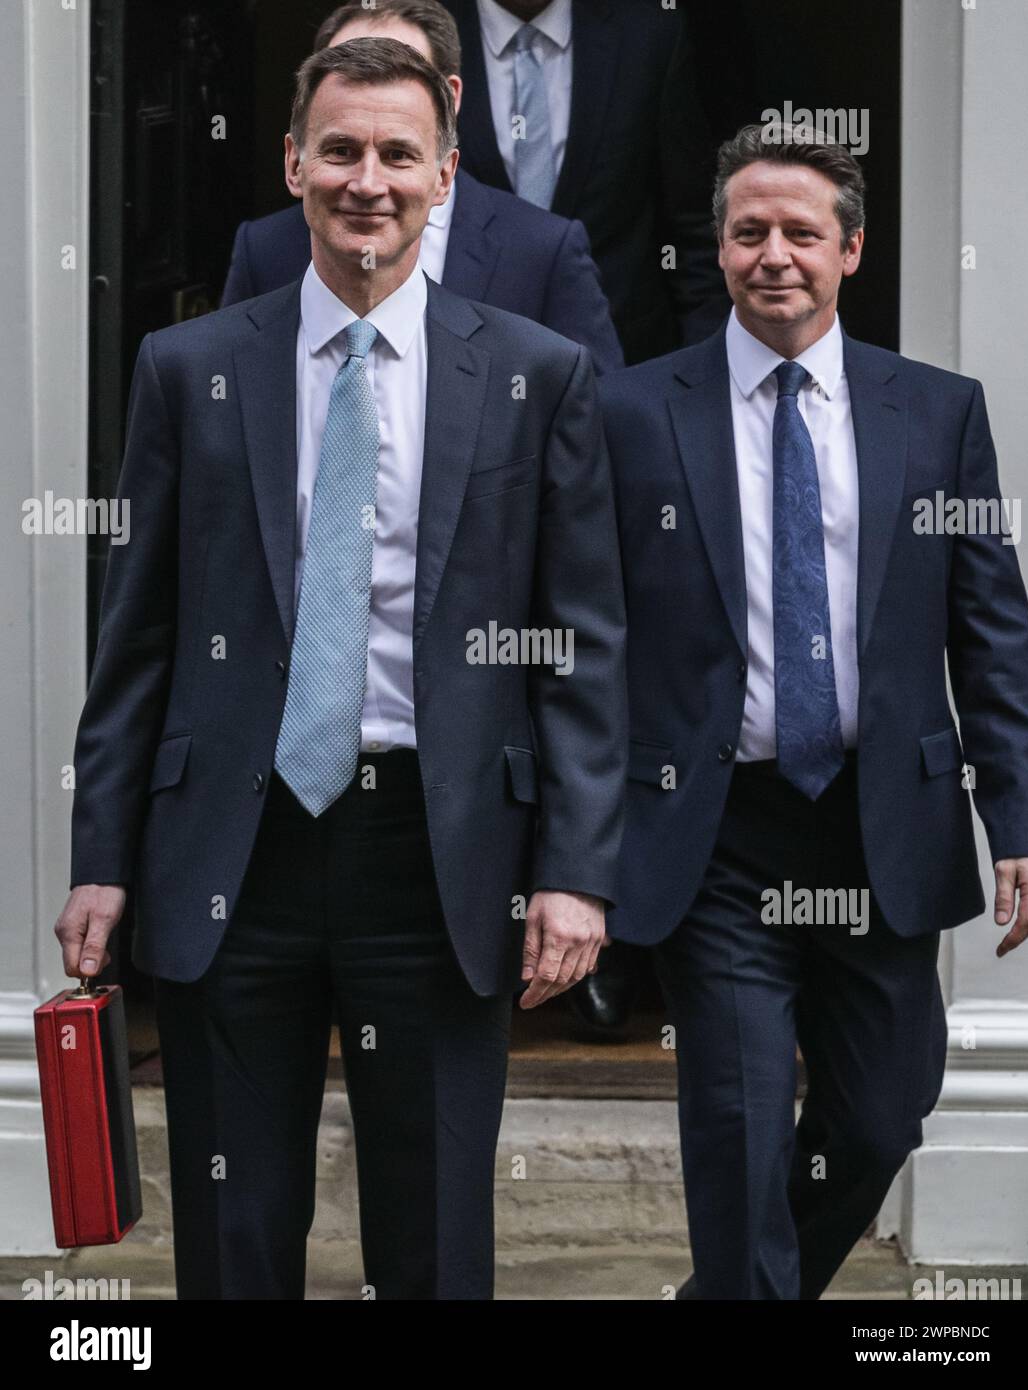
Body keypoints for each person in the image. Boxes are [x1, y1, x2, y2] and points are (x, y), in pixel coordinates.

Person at [57, 38, 626, 1300]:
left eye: (396, 154)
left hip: (436, 852)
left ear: (444, 175)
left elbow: (579, 647)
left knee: (429, 1241)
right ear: (292, 163)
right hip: (230, 847)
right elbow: (136, 633)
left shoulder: (538, 373)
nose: (366, 179)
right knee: (234, 1234)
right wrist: (101, 850)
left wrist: (576, 872)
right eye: (341, 150)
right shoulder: (189, 368)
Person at [602, 123, 1028, 1299]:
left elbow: (990, 631)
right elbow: (592, 645)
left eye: (802, 232)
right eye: (748, 232)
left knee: (883, 1112)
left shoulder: (936, 414)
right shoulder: (634, 413)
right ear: (719, 251)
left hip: (877, 826)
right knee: (738, 1124)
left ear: (850, 250)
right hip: (716, 835)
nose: (774, 255)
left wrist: (1021, 821)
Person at [220, 0, 623, 376]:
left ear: (449, 96)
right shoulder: (264, 249)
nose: (367, 183)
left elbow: (590, 414)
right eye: (347, 71)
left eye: (399, 72)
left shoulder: (544, 249)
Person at [439, 0, 728, 363]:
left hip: (624, 366)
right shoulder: (419, 31)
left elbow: (695, 231)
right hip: (463, 361)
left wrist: (698, 374)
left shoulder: (648, 32)